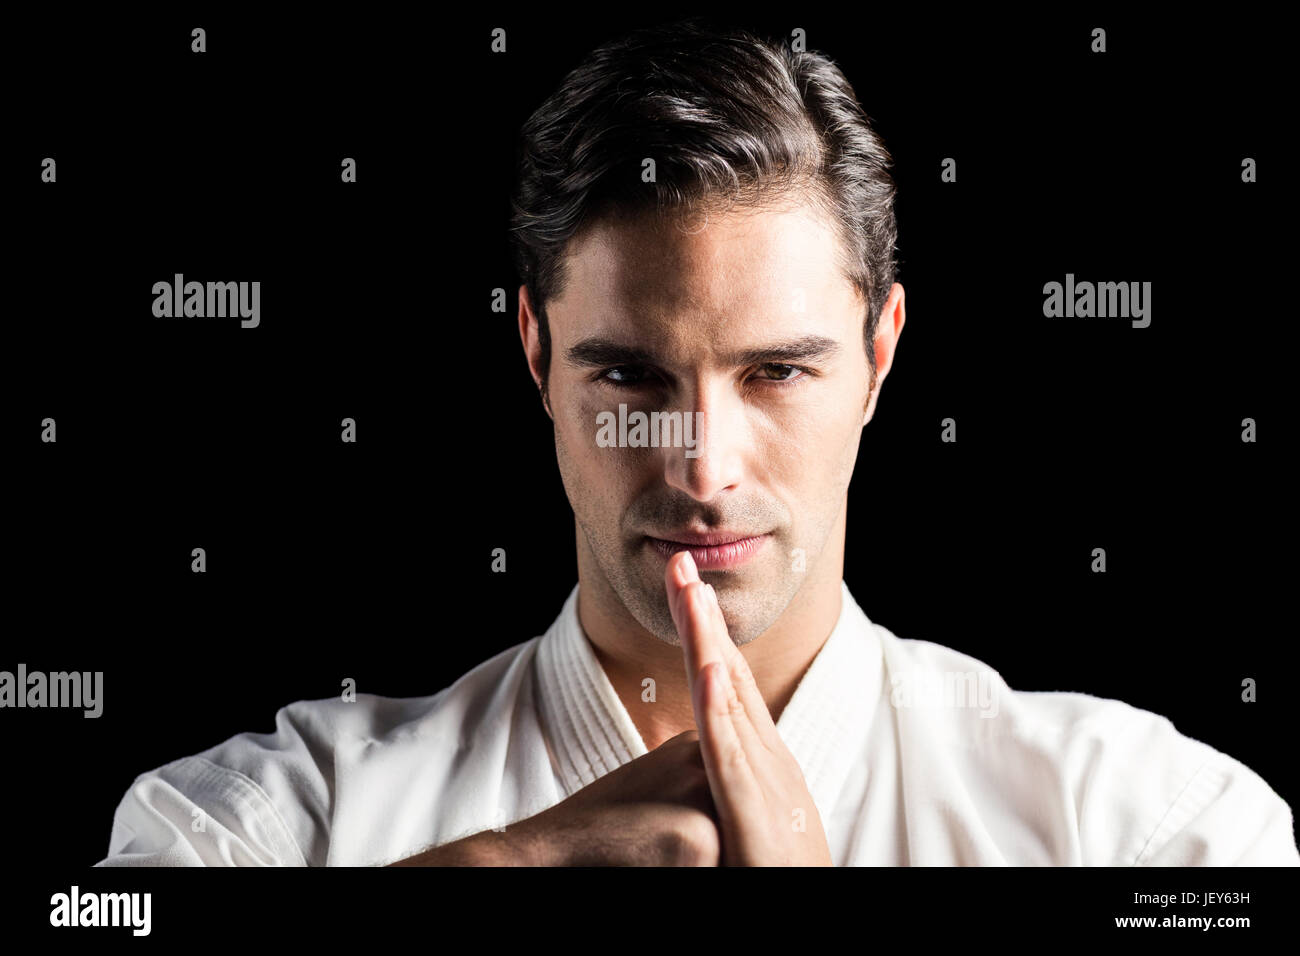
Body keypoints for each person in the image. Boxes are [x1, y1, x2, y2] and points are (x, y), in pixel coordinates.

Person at [96, 20, 1298, 867]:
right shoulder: (262, 826)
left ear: (880, 356)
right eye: (629, 371)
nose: (702, 465)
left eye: (776, 371)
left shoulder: (1152, 829)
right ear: (533, 352)